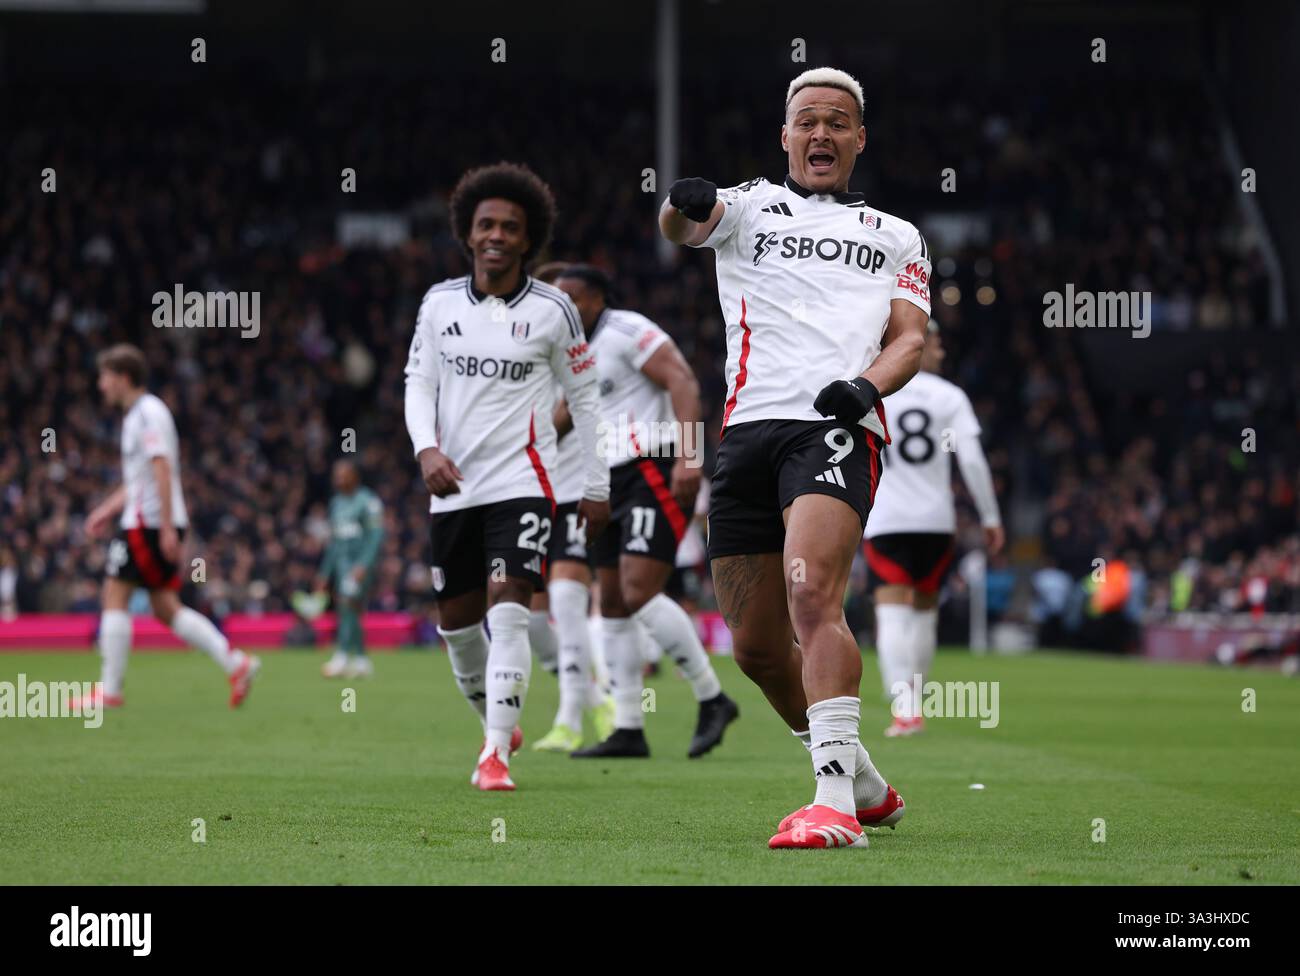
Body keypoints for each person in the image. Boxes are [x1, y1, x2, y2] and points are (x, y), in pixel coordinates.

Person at [659, 67, 929, 848]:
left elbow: (910, 338)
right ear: (785, 135)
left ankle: (834, 805)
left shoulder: (896, 234)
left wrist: (863, 389)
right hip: (744, 436)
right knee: (754, 648)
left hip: (833, 425)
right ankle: (866, 782)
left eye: (837, 122)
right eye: (807, 120)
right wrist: (684, 203)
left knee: (814, 600)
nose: (821, 133)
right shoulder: (748, 208)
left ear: (859, 139)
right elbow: (681, 229)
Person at [404, 163, 610, 791]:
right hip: (453, 487)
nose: (496, 234)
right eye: (485, 224)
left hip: (524, 484)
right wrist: (425, 450)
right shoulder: (439, 304)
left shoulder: (555, 310)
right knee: (459, 632)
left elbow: (587, 396)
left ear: (528, 239)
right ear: (468, 233)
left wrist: (596, 486)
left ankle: (495, 752)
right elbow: (418, 383)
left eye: (510, 227)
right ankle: (497, 720)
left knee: (511, 611)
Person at [549, 265, 739, 760]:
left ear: (594, 298)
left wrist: (690, 457)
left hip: (649, 467)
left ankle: (712, 696)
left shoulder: (627, 330)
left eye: (570, 298)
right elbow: (564, 418)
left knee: (638, 591)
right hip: (604, 482)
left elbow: (682, 380)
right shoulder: (577, 353)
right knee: (610, 600)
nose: (562, 308)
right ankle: (628, 727)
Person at [75, 344, 260, 711]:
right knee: (164, 606)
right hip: (151, 519)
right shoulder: (139, 415)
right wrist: (106, 509)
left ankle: (110, 691)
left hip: (148, 522)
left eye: (105, 377)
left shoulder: (146, 414)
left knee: (115, 594)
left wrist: (164, 529)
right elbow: (141, 477)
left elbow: (161, 467)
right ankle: (235, 663)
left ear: (124, 377)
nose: (101, 385)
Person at [864, 320, 1003, 736]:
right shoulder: (949, 397)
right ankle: (915, 700)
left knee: (891, 611)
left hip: (885, 518)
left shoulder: (873, 389)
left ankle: (904, 706)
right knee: (924, 612)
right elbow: (973, 460)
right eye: (936, 344)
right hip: (936, 521)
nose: (940, 353)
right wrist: (991, 516)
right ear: (919, 346)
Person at [315, 460, 386, 679]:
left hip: (358, 566)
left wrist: (364, 564)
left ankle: (342, 656)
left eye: (344, 474)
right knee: (349, 608)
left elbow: (376, 536)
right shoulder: (336, 504)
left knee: (347, 603)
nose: (339, 479)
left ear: (355, 476)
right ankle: (362, 661)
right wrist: (325, 573)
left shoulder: (368, 501)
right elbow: (334, 543)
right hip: (341, 565)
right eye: (336, 475)